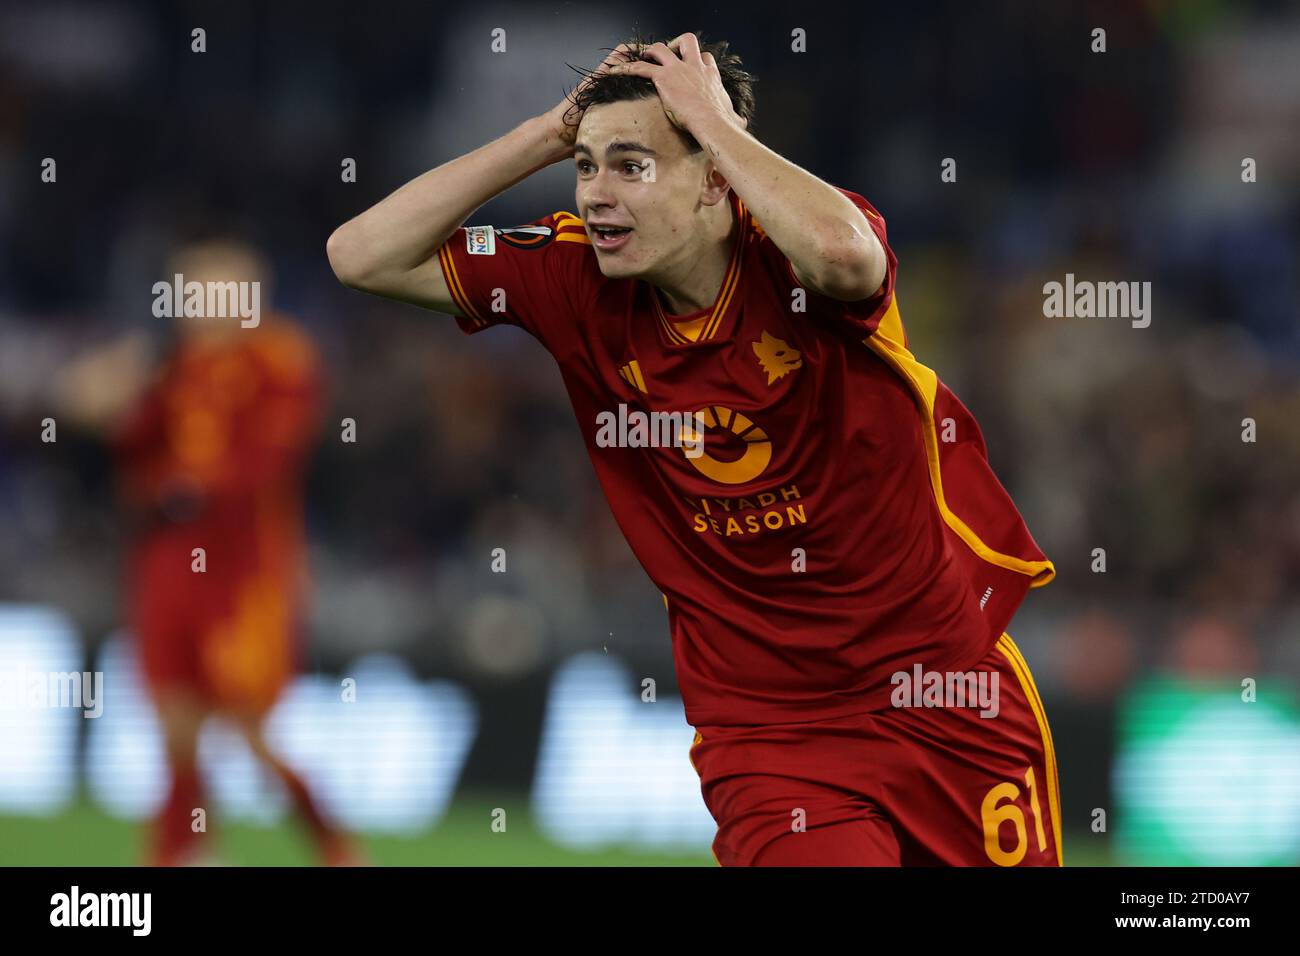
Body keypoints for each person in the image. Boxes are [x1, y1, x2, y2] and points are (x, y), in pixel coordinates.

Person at [327, 34, 1059, 866]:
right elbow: (361, 255)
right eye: (587, 167)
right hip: (772, 734)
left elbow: (845, 257)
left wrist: (713, 123)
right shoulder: (572, 275)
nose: (596, 195)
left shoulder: (795, 252)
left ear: (715, 176)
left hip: (947, 690)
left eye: (631, 167)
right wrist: (542, 135)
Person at [66, 239, 356, 865]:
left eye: (208, 291)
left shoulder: (279, 358)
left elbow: (270, 458)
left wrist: (186, 484)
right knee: (174, 721)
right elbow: (128, 442)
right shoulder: (172, 366)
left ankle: (337, 850)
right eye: (187, 293)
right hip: (169, 562)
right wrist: (109, 399)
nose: (195, 306)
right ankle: (182, 853)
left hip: (244, 567)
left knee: (252, 728)